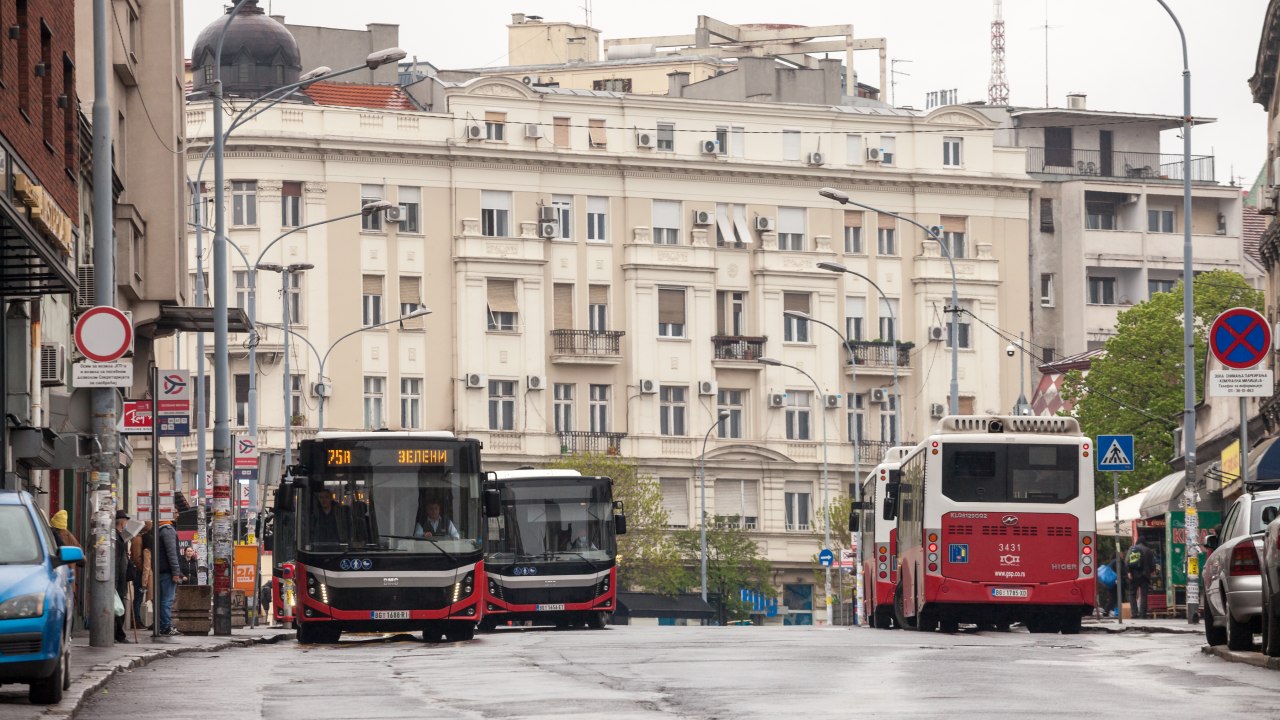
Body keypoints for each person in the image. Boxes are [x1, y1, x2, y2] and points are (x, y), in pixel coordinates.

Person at [49, 510, 85, 606]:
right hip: (68, 581)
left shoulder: (51, 535)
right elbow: (82, 558)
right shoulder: (69, 536)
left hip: (56, 580)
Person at [156, 519, 185, 636]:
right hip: (167, 571)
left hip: (160, 570)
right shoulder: (168, 530)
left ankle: (162, 625)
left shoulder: (158, 531)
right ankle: (166, 626)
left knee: (161, 600)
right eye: (175, 512)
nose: (177, 515)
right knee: (167, 600)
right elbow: (172, 553)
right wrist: (176, 572)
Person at [114, 510, 136, 643]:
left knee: (119, 606)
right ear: (122, 522)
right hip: (118, 579)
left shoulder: (120, 537)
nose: (127, 523)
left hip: (120, 577)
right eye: (126, 521)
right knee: (118, 607)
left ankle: (118, 633)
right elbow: (116, 561)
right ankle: (119, 634)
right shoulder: (116, 538)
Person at [1127, 539, 1156, 619]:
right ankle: (1142, 614)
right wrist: (1151, 571)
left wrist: (1129, 572)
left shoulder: (1132, 549)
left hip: (1133, 575)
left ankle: (1134, 614)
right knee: (1143, 595)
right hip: (1145, 576)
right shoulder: (1149, 551)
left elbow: (1127, 561)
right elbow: (1153, 565)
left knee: (1132, 594)